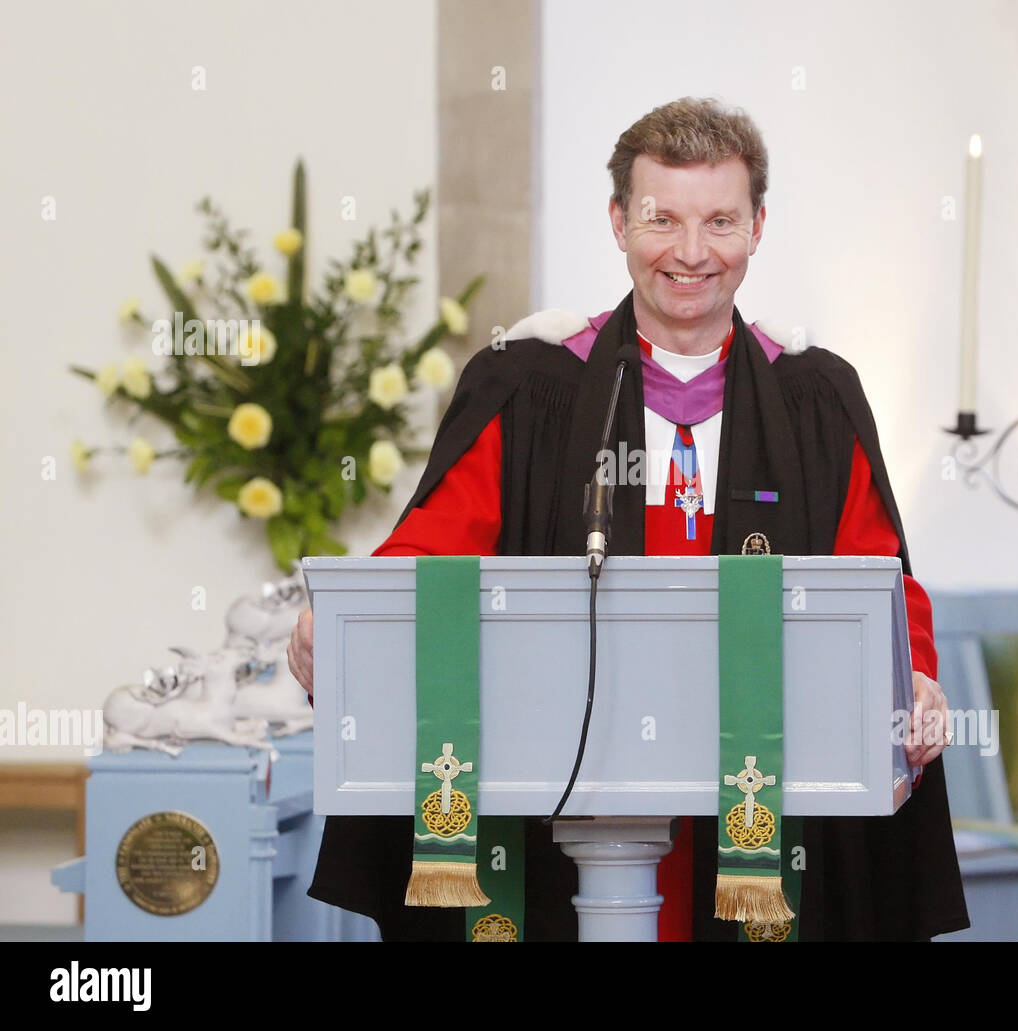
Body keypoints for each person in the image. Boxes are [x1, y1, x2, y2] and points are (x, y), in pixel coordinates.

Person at [289, 96, 970, 941]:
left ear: (759, 225)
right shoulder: (532, 388)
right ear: (618, 221)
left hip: (760, 792)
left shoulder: (815, 398)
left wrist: (920, 677)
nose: (691, 253)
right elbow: (433, 545)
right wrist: (348, 628)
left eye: (720, 220)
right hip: (562, 790)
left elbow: (877, 575)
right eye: (662, 220)